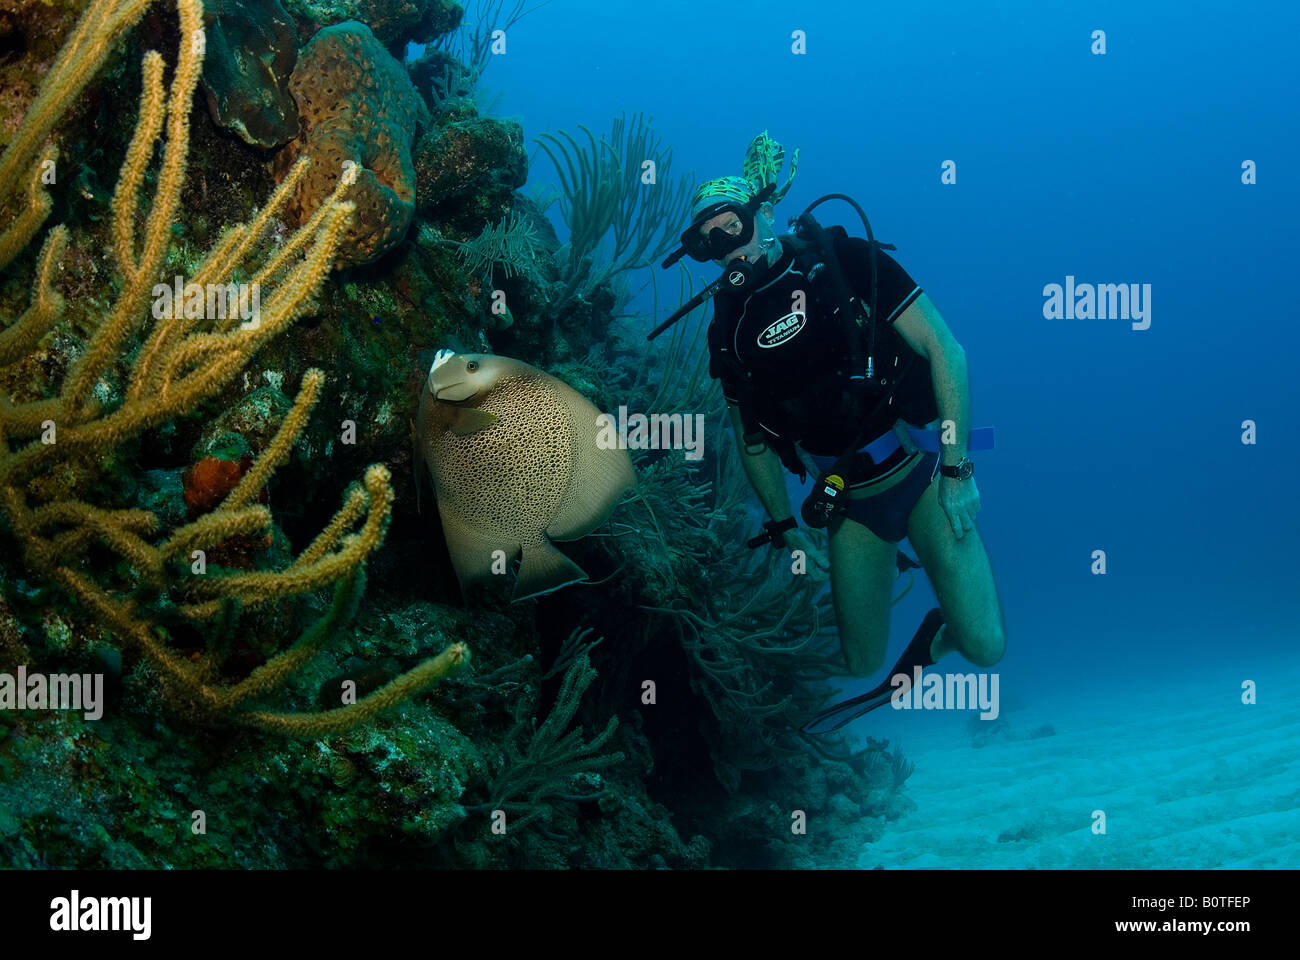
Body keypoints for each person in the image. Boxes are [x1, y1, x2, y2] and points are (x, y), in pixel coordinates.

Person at [668, 134, 1006, 733]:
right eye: (706, 244)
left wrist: (958, 471)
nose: (726, 251)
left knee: (986, 647)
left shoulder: (845, 262)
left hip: (923, 471)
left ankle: (944, 632)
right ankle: (909, 600)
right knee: (861, 661)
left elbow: (945, 351)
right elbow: (752, 442)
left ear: (765, 213)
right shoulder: (729, 330)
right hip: (848, 497)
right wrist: (783, 528)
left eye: (733, 228)